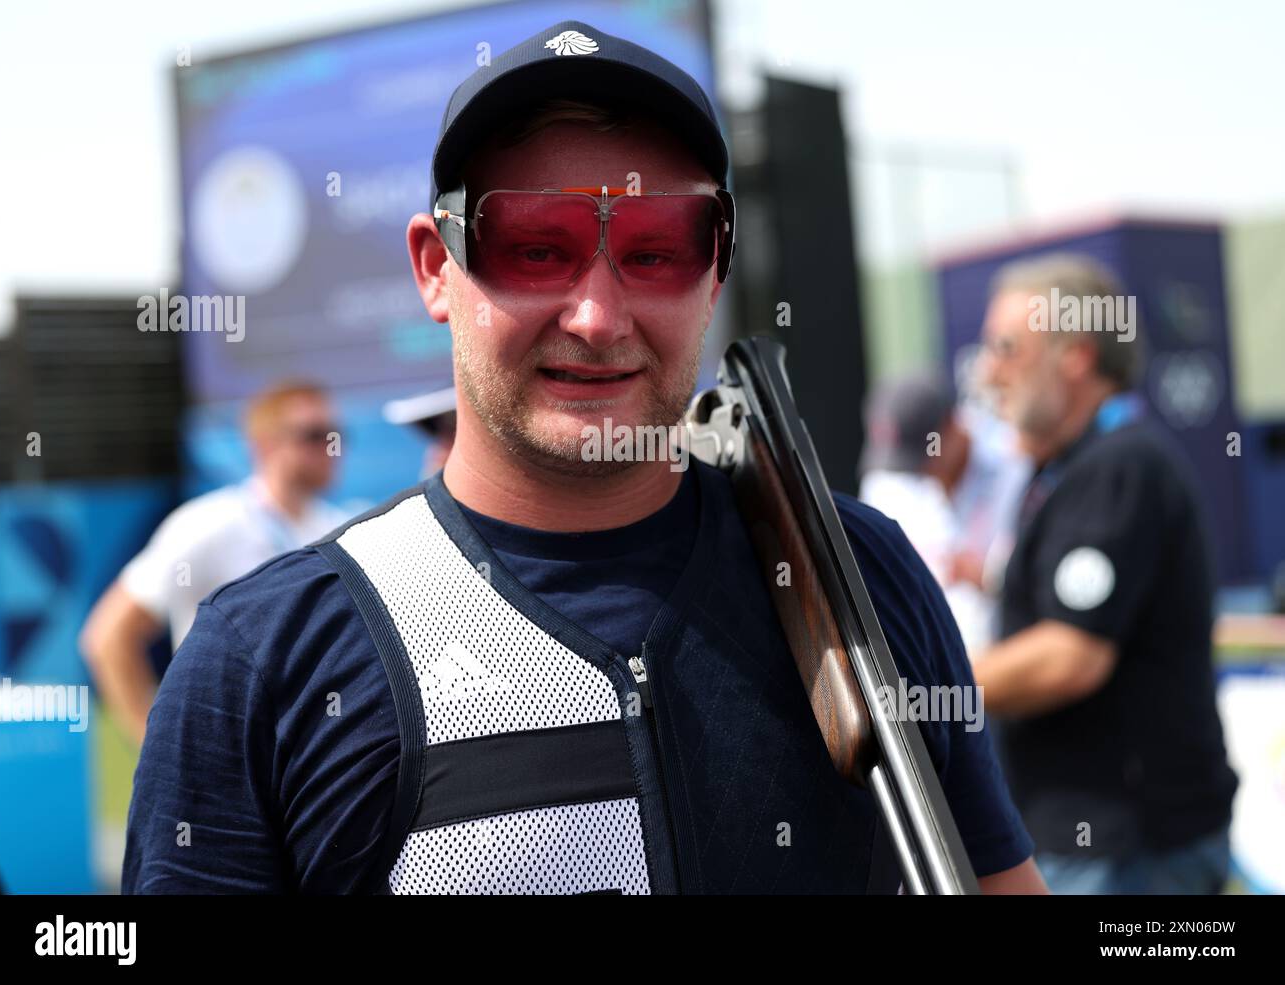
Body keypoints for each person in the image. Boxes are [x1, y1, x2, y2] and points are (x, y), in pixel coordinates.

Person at [124, 21, 1043, 894]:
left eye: (656, 250)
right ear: (435, 266)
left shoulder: (863, 574)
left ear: (718, 268)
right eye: (533, 247)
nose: (597, 317)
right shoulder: (263, 658)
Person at [972, 253, 1238, 894]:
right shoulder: (1077, 467)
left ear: (1077, 355)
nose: (989, 371)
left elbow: (1071, 655)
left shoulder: (1118, 466)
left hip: (1126, 853)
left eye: (1008, 348)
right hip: (1109, 845)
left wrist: (911, 691)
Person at [80, 380, 349, 744]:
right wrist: (155, 748)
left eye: (336, 434)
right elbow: (108, 636)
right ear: (265, 445)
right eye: (314, 435)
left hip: (306, 756)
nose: (331, 448)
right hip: (226, 753)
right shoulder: (210, 525)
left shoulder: (334, 528)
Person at [859, 373, 1028, 656]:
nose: (920, 470)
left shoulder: (1015, 462)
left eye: (924, 456)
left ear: (951, 424)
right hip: (921, 664)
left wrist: (988, 576)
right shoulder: (887, 481)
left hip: (1007, 660)